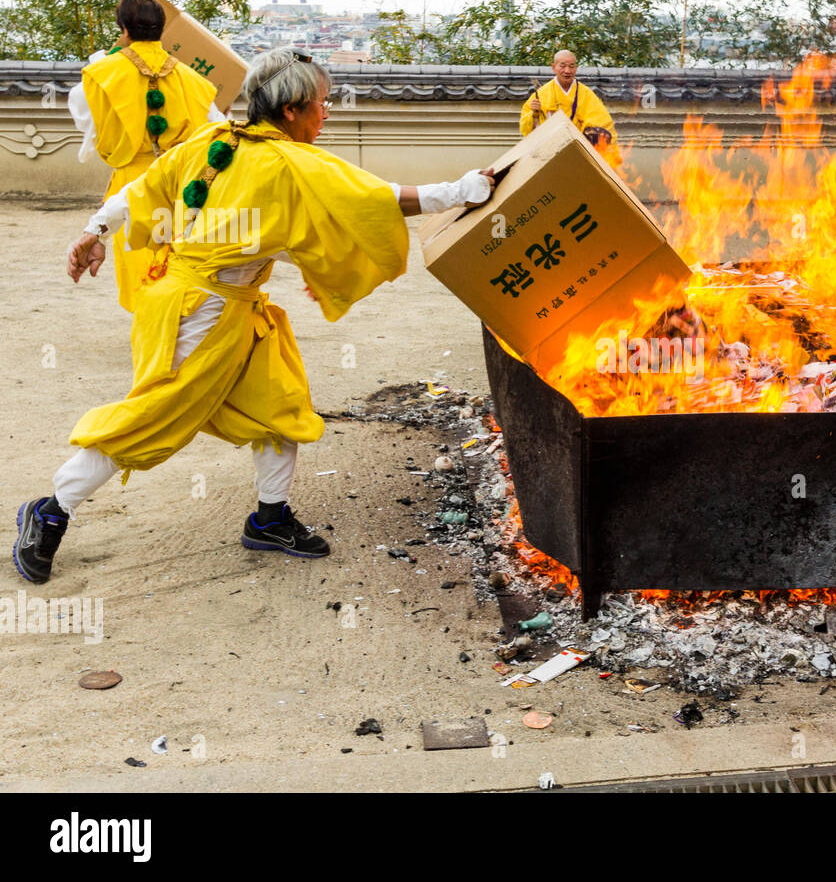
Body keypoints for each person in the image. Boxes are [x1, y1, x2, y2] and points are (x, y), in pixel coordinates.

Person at [13, 47, 495, 584]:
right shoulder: (290, 161)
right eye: (322, 103)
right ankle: (50, 511)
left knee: (278, 404)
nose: (328, 113)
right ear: (290, 110)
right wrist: (459, 192)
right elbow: (375, 200)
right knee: (153, 418)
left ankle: (270, 518)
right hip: (200, 311)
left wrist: (95, 231)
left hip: (221, 303)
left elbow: (143, 191)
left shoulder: (212, 140)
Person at [68, 0, 227, 314]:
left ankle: (152, 328)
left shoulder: (101, 73)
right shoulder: (192, 79)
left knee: (139, 259)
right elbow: (217, 129)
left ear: (123, 29)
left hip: (132, 182)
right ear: (162, 29)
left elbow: (85, 117)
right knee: (181, 259)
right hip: (183, 182)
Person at [520, 50, 622, 167]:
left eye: (571, 66)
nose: (567, 71)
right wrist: (534, 115)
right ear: (553, 67)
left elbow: (603, 125)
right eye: (562, 66)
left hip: (580, 155)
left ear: (576, 68)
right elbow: (527, 131)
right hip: (550, 156)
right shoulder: (541, 95)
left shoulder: (586, 94)